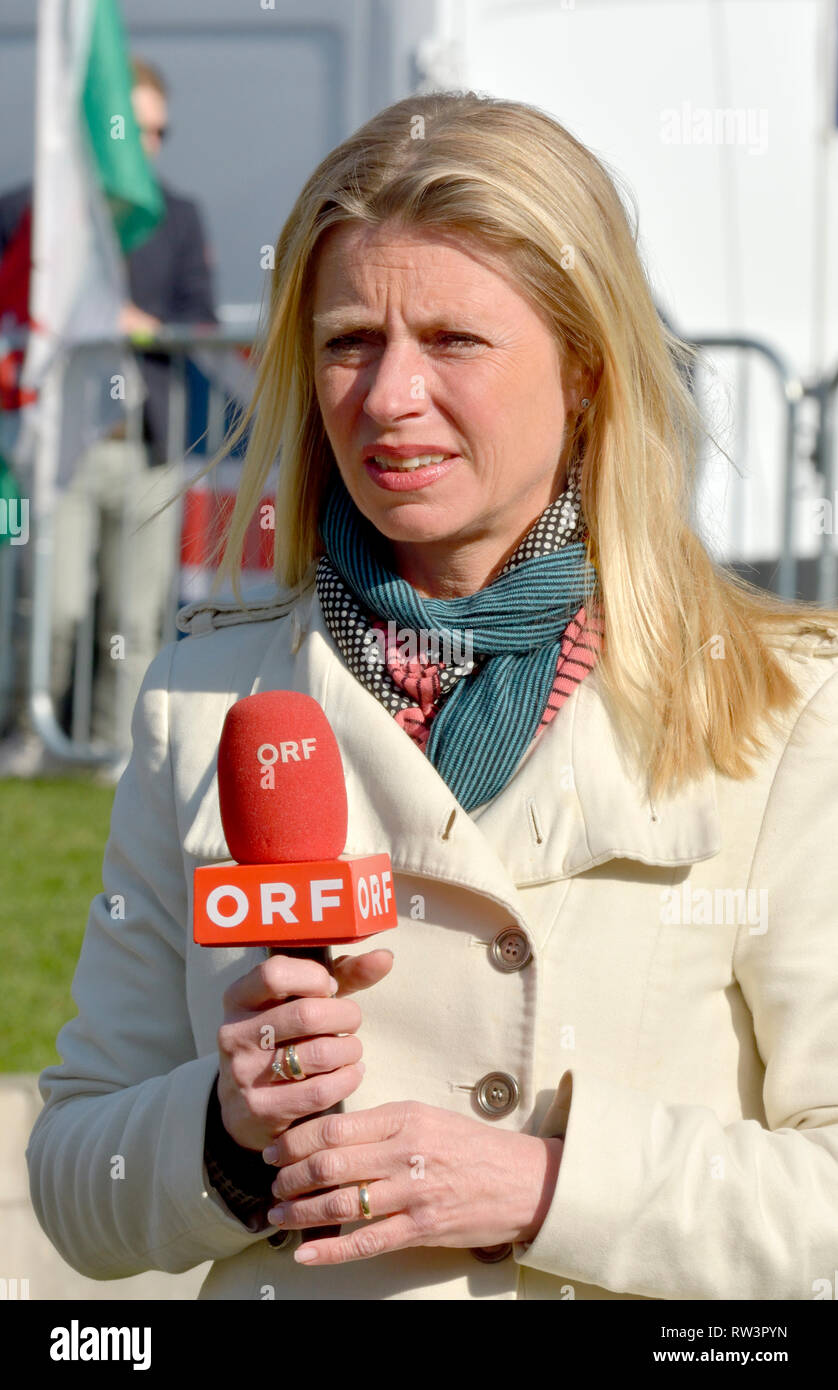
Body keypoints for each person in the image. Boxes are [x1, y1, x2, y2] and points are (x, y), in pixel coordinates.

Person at [27, 91, 838, 1301]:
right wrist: (222, 1132)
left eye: (454, 341)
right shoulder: (202, 695)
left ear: (585, 371)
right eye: (351, 340)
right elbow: (73, 1181)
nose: (389, 396)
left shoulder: (782, 706)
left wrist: (543, 1187)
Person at [0, 58, 216, 770]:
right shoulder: (27, 214)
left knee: (133, 614)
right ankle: (30, 737)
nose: (146, 144)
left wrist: (137, 324)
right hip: (56, 446)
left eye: (159, 130)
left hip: (146, 446)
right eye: (133, 128)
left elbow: (201, 323)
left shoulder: (177, 217)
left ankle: (118, 755)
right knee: (50, 609)